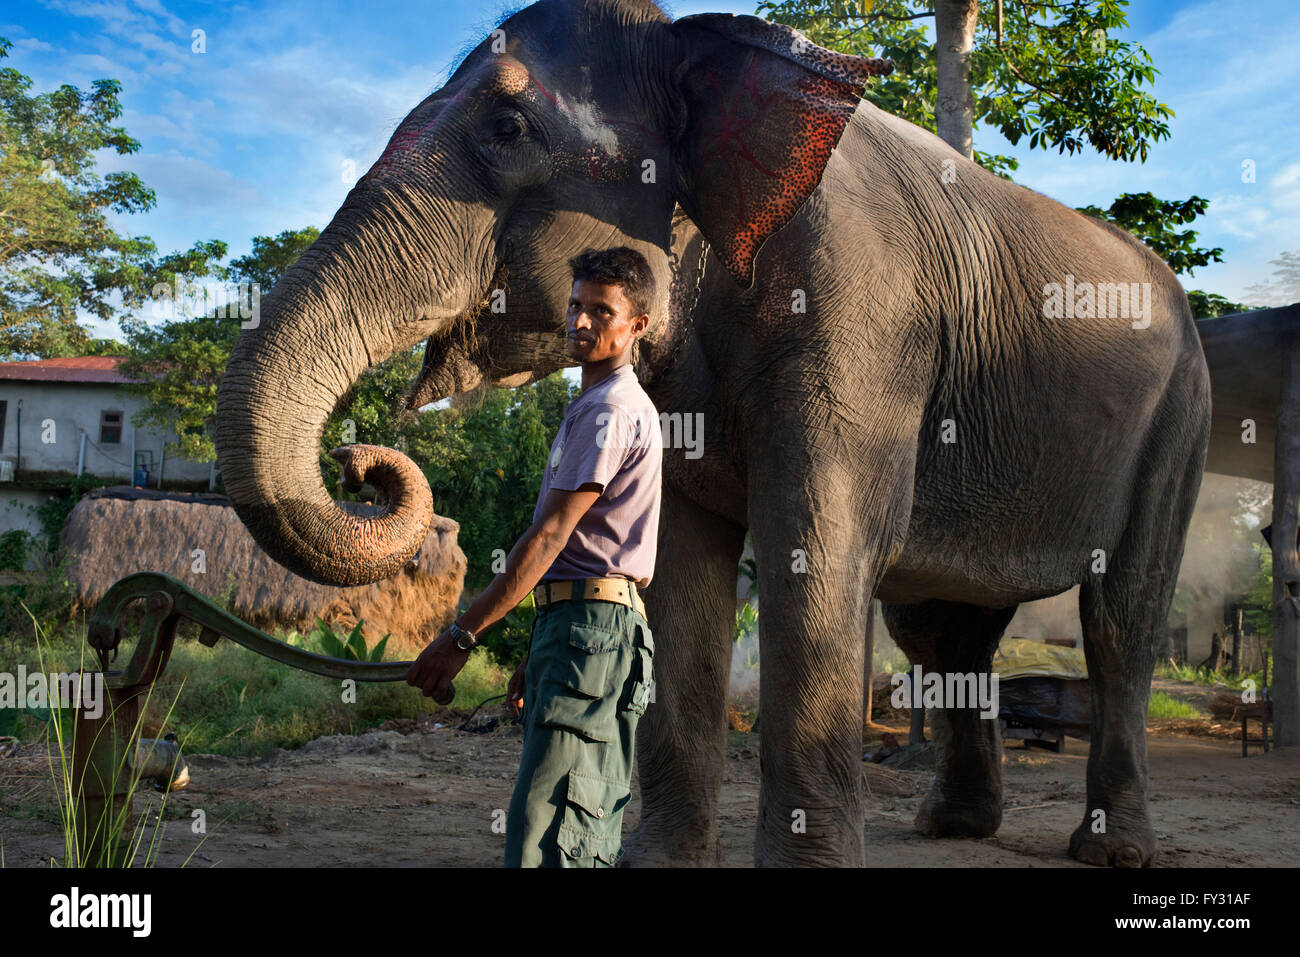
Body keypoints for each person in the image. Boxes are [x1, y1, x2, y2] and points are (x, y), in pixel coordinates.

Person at [406, 245, 663, 867]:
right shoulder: (595, 406)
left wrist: (460, 637)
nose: (579, 322)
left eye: (601, 311)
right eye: (575, 305)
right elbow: (574, 552)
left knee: (549, 836)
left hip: (592, 635)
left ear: (637, 326)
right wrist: (537, 651)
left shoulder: (608, 410)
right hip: (580, 633)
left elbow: (549, 539)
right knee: (564, 821)